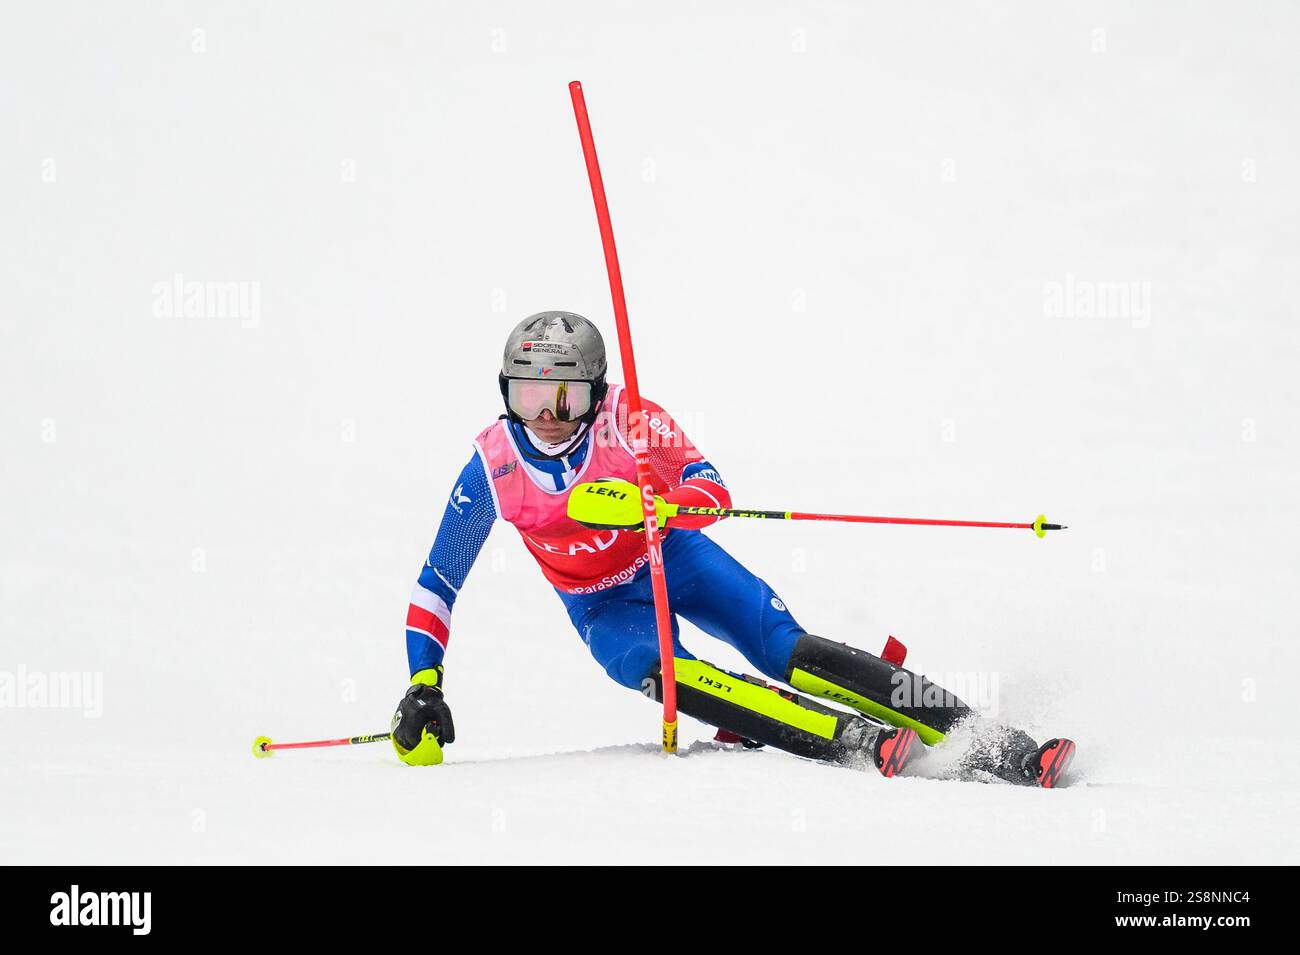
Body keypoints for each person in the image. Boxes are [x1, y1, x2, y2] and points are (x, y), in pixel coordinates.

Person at [390, 311, 1073, 786]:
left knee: (787, 647)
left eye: (562, 396)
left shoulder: (628, 420)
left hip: (676, 557)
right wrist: (424, 684)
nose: (544, 415)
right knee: (669, 674)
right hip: (601, 603)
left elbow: (710, 487)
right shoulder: (492, 466)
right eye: (527, 393)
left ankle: (994, 742)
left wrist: (666, 504)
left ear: (593, 393)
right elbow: (438, 580)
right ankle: (851, 741)